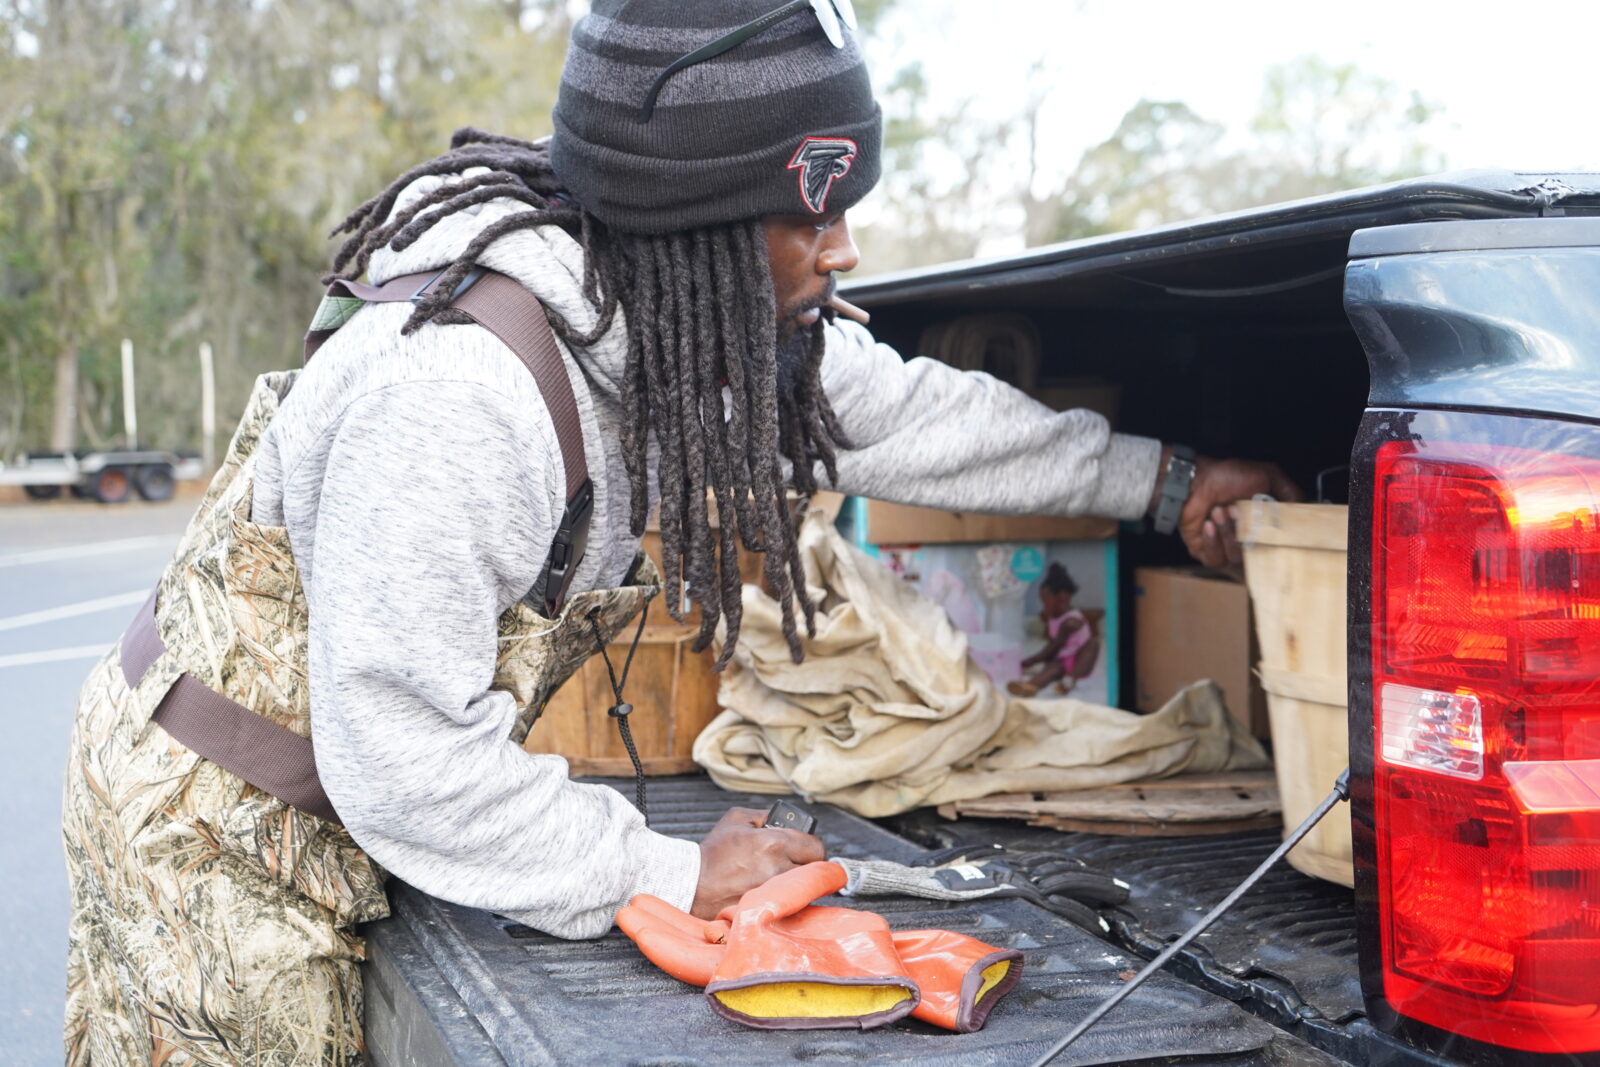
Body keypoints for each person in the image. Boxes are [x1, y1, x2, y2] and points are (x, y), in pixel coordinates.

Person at [60, 2, 1299, 1063]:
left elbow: (919, 416)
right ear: (696, 218)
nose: (845, 246)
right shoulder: (456, 395)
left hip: (361, 809)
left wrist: (1169, 477)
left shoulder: (689, 321)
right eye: (810, 214)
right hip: (221, 837)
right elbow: (403, 756)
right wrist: (662, 869)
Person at [1009, 562, 1095, 697]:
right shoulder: (1052, 619)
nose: (1045, 607)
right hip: (1061, 660)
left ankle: (1070, 680)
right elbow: (1051, 645)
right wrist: (1038, 660)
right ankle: (1031, 685)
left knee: (1092, 645)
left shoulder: (1071, 621)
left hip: (1079, 662)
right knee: (1052, 670)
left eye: (1046, 602)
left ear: (1063, 597)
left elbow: (1055, 645)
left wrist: (1034, 659)